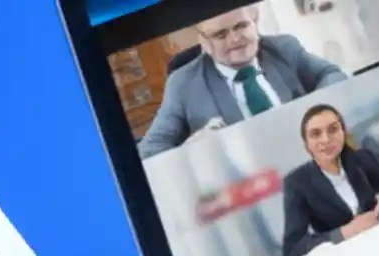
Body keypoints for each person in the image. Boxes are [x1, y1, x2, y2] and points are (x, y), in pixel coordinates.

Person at [137, 4, 348, 159]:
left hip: (311, 159)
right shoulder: (182, 84)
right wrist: (191, 149)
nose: (235, 39)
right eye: (220, 34)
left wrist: (310, 113)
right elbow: (150, 152)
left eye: (240, 26)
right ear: (204, 42)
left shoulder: (284, 48)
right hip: (246, 185)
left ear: (255, 21)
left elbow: (332, 74)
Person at [281, 105, 379, 256]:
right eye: (316, 134)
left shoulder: (363, 159)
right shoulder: (298, 183)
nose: (326, 139)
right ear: (307, 145)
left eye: (333, 129)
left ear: (343, 133)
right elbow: (293, 247)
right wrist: (344, 232)